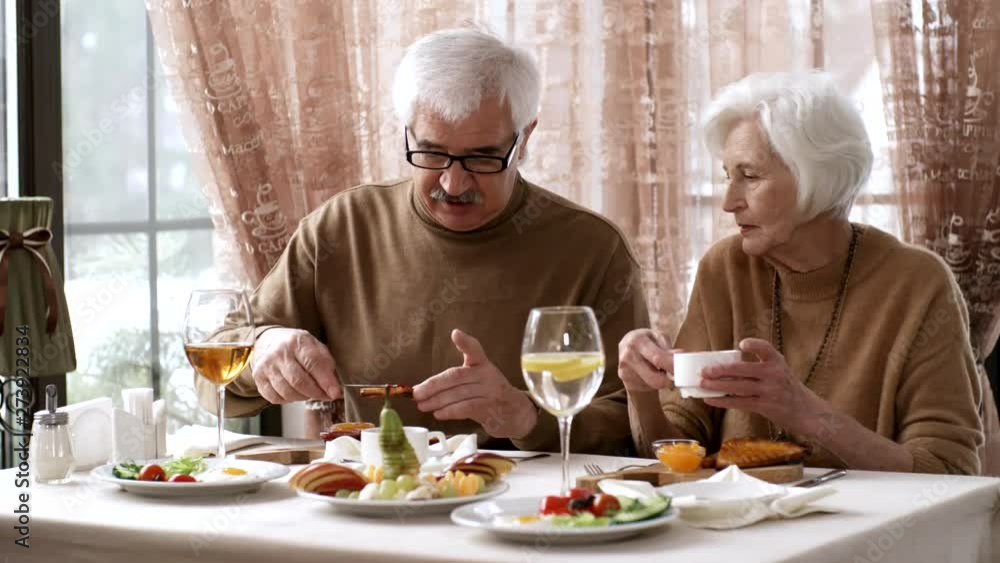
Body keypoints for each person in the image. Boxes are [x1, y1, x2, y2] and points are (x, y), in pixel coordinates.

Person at [197, 28, 648, 454]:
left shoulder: (593, 251)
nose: (453, 184)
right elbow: (209, 373)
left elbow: (633, 427)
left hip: (528, 517)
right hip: (372, 504)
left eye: (482, 157)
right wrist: (261, 350)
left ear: (525, 136)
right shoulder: (341, 229)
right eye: (431, 152)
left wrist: (527, 417)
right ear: (406, 130)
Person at [619, 71, 985, 474]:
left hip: (867, 532)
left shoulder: (917, 283)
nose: (728, 202)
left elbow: (949, 471)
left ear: (818, 179)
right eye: (727, 176)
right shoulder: (724, 269)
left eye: (750, 176)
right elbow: (679, 453)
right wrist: (642, 394)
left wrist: (809, 416)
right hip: (740, 529)